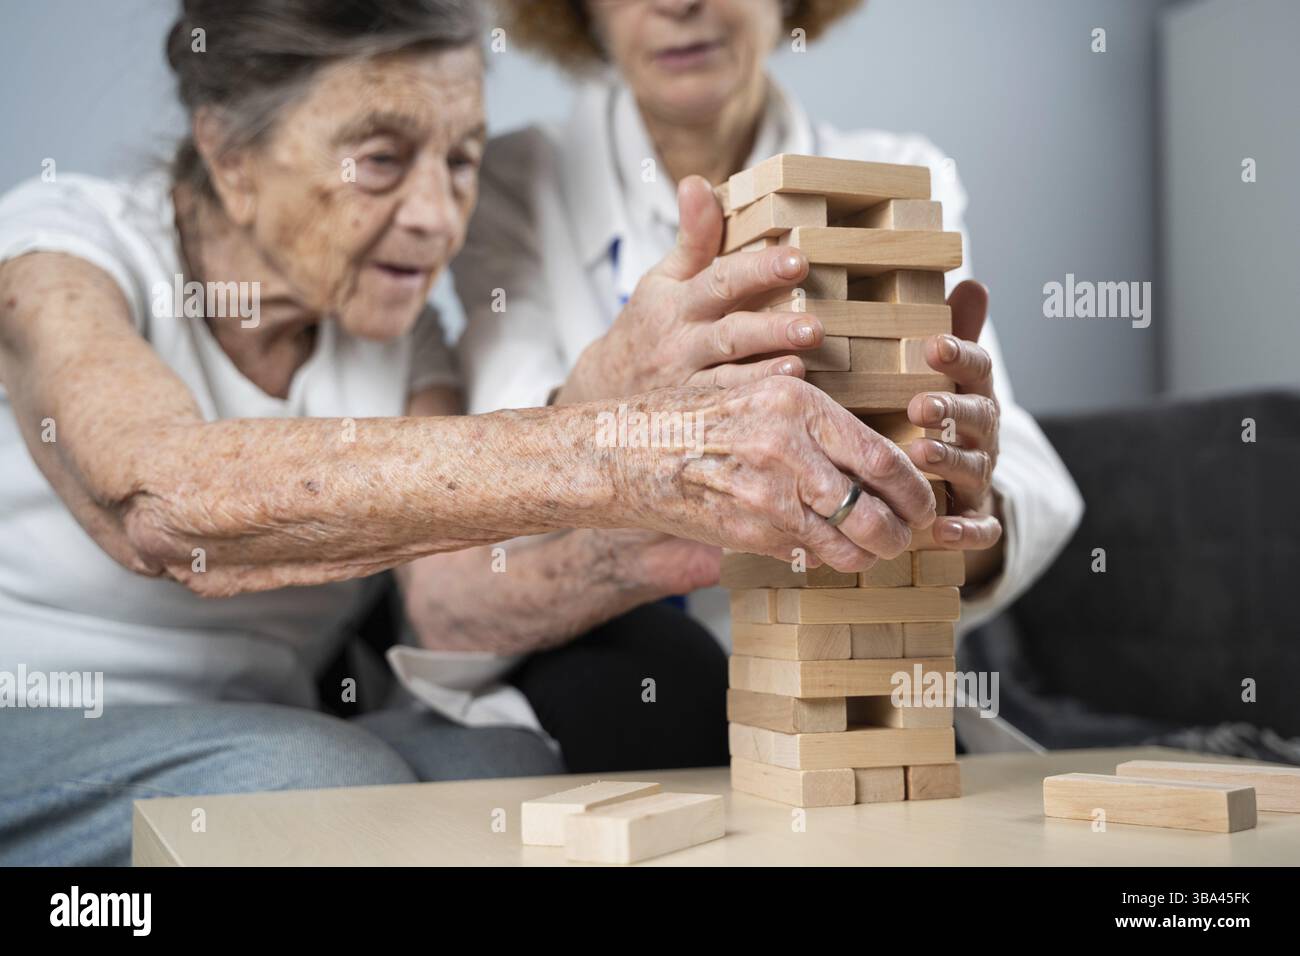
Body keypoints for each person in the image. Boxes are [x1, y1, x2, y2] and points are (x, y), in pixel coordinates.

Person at [0, 0, 942, 865]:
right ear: (230, 156)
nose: (436, 219)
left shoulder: (403, 339)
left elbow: (449, 601)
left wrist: (677, 529)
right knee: (309, 777)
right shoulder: (64, 245)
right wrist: (631, 443)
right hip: (38, 730)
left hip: (249, 726)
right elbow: (159, 499)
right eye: (378, 160)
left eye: (461, 161)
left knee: (506, 768)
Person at [451, 0, 1084, 682]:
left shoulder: (894, 176)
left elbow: (1015, 472)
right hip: (608, 679)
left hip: (846, 666)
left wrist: (954, 510)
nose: (676, 5)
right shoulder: (513, 180)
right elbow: (492, 488)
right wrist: (610, 395)